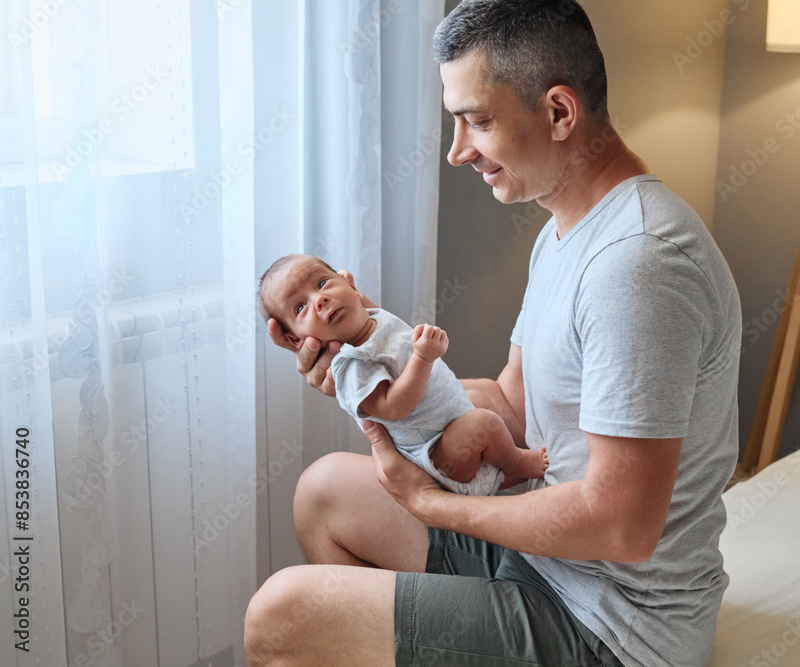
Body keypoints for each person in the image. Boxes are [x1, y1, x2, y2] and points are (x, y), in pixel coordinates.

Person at [243, 1, 741, 666]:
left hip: (611, 626)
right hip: (549, 559)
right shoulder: (564, 233)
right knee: (325, 491)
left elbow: (622, 526)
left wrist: (433, 505)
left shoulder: (638, 264)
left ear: (560, 113)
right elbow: (513, 404)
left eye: (476, 120)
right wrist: (380, 363)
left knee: (281, 614)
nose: (457, 151)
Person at [257, 253, 548, 495]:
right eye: (300, 307)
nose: (319, 299)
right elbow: (392, 408)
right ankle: (518, 465)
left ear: (349, 283)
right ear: (295, 340)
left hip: (445, 429)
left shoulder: (370, 318)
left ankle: (496, 475)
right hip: (433, 457)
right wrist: (423, 357)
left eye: (322, 283)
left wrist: (353, 295)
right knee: (482, 422)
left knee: (477, 405)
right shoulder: (351, 367)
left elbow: (375, 318)